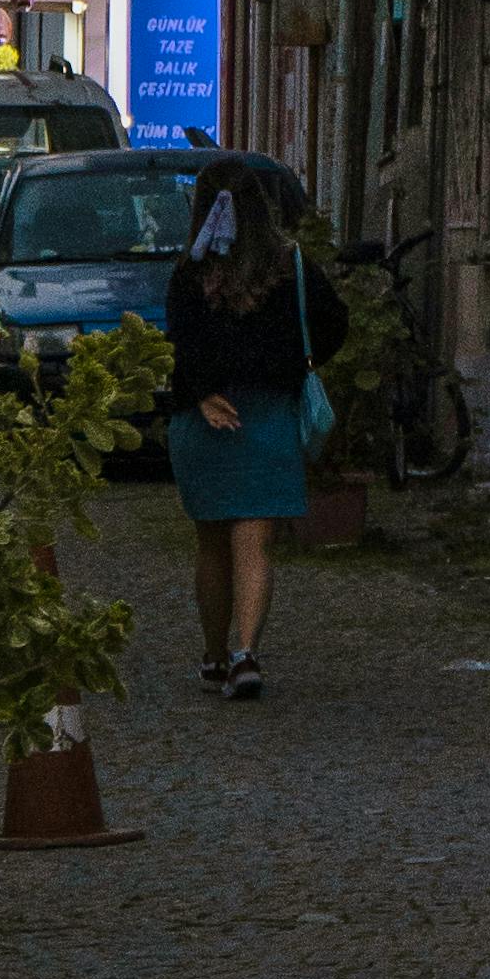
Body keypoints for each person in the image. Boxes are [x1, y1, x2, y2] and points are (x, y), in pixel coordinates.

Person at [165, 156, 348, 701]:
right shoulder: (290, 266)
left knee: (211, 544)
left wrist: (201, 392)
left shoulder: (189, 272)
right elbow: (334, 325)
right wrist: (293, 365)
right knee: (255, 544)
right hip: (268, 418)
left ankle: (214, 655)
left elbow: (176, 343)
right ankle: (247, 652)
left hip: (205, 421)